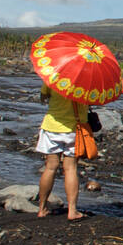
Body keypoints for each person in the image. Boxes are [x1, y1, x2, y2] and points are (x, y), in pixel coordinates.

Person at [35, 83, 87, 220]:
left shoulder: (54, 77)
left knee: (50, 167)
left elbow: (43, 98)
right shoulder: (87, 82)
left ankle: (42, 208)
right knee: (70, 168)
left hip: (52, 126)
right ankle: (72, 211)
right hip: (74, 129)